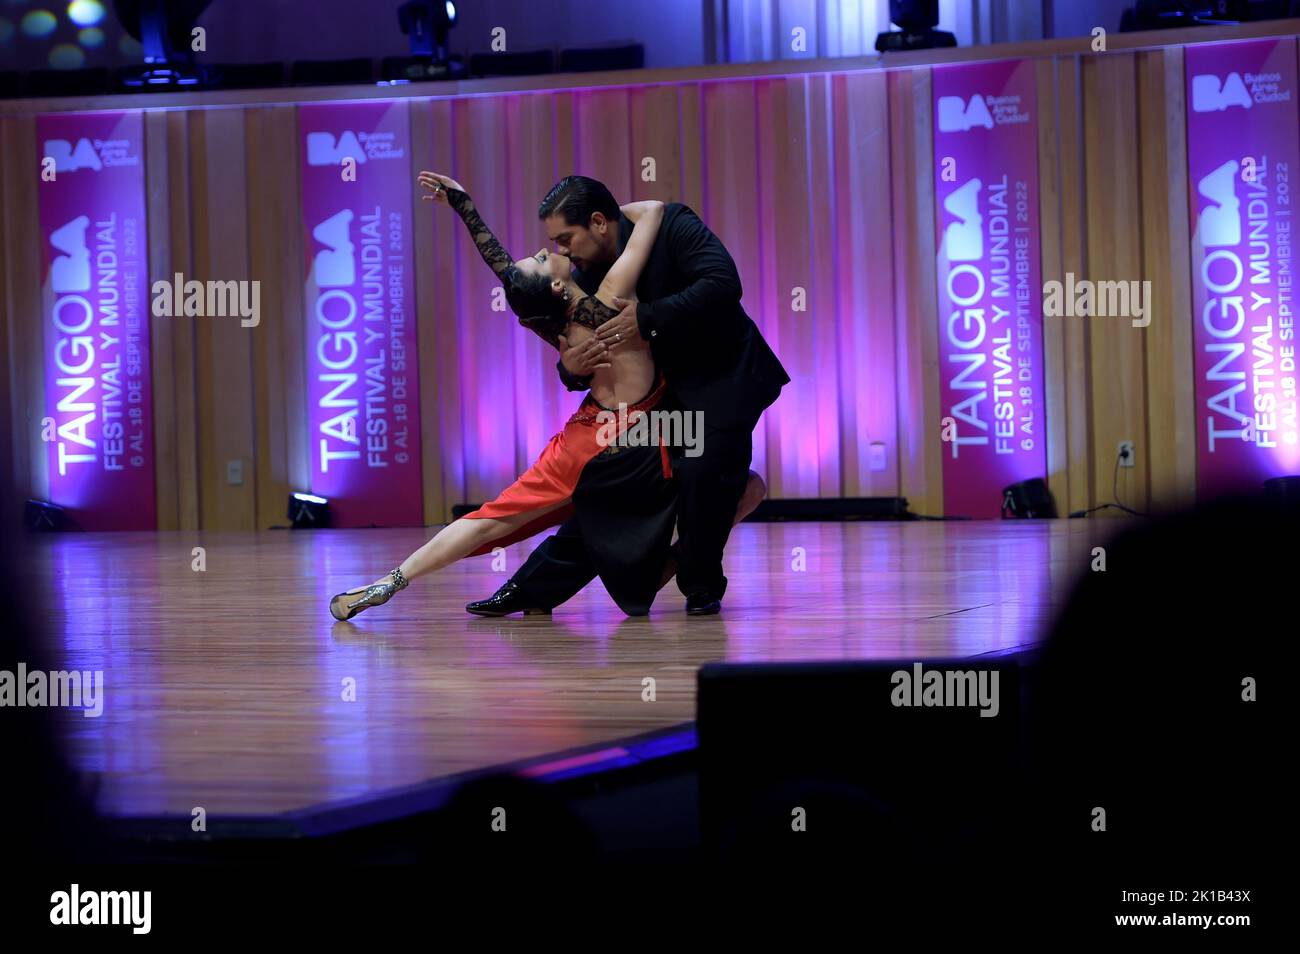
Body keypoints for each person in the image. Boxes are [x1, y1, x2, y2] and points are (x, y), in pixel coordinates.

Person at [467, 176, 789, 617]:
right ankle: (532, 589)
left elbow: (722, 284)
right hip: (663, 395)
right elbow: (579, 350)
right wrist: (570, 370)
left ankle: (699, 584)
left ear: (598, 222)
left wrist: (648, 318)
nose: (562, 252)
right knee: (606, 480)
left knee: (700, 472)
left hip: (723, 380)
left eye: (565, 238)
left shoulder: (675, 224)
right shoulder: (585, 274)